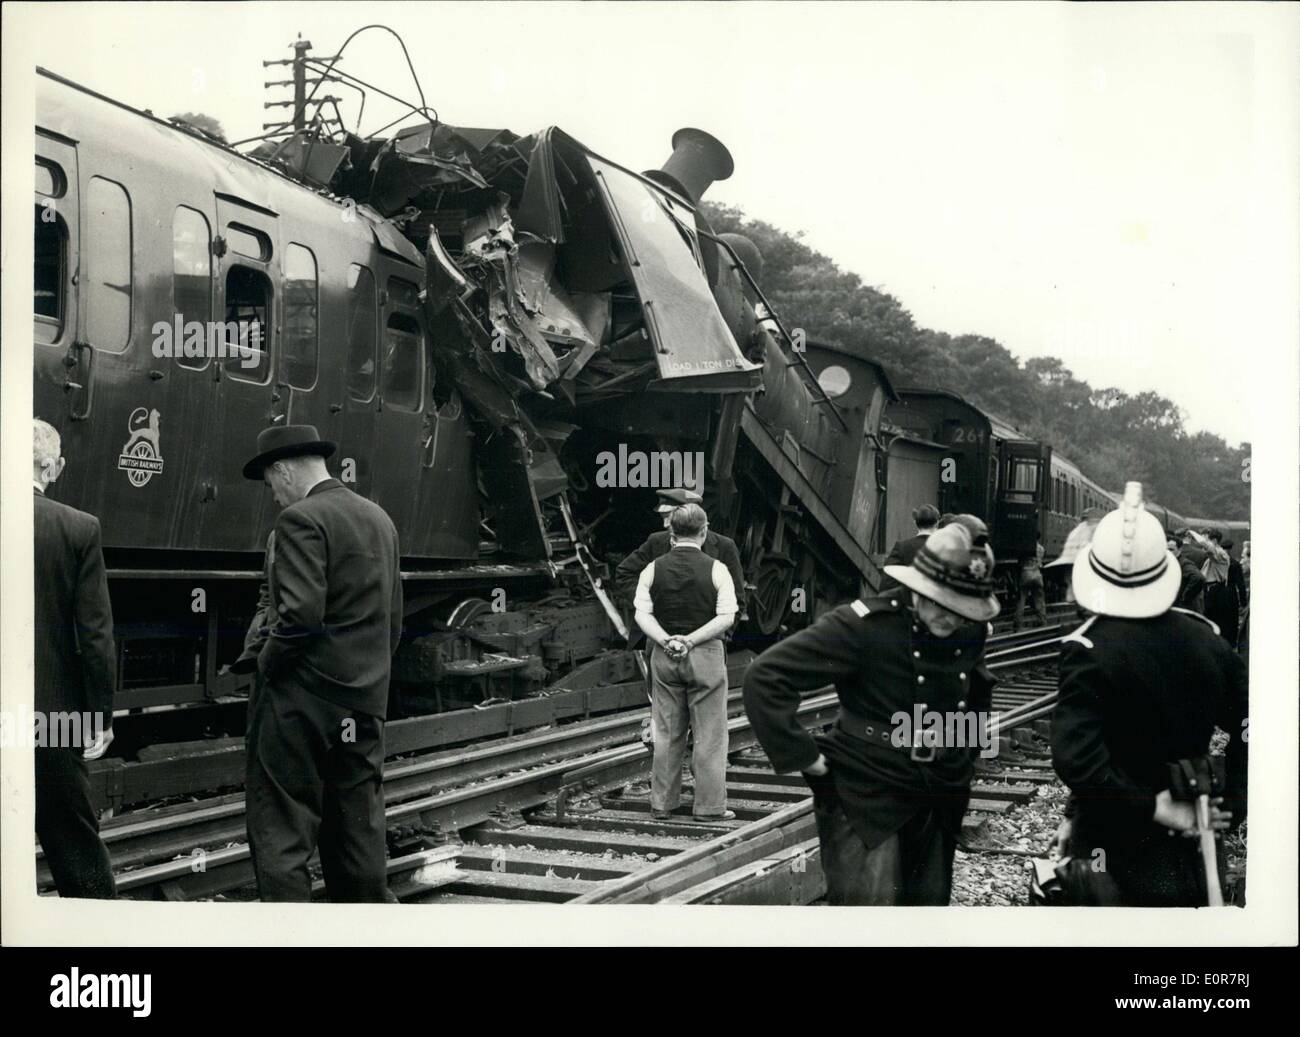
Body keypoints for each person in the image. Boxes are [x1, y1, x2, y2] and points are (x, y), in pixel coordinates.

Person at [743, 523, 1000, 905]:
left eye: (962, 608)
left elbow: (977, 695)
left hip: (937, 795)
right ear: (919, 586)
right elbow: (765, 677)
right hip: (866, 793)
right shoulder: (863, 626)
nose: (951, 617)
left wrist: (964, 761)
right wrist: (808, 759)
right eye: (942, 603)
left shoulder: (969, 630)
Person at [1051, 484, 1247, 906]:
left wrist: (1151, 806)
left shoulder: (1088, 650)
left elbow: (1078, 758)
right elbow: (1256, 727)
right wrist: (1231, 804)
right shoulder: (1208, 641)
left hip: (1108, 843)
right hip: (1190, 842)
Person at [241, 425, 403, 901]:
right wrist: (368, 678)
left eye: (270, 484)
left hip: (302, 702)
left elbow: (300, 618)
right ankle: (363, 925)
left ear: (283, 470)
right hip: (364, 701)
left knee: (282, 827)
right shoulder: (380, 519)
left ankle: (290, 930)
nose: (274, 496)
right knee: (357, 827)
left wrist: (266, 666)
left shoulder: (299, 520)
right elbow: (392, 619)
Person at [32, 419, 118, 898]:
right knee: (75, 846)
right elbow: (96, 636)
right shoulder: (79, 528)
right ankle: (95, 928)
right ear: (54, 467)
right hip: (52, 718)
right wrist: (99, 717)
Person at [633, 503, 739, 822]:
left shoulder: (652, 569)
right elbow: (727, 616)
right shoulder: (717, 569)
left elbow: (641, 614)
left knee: (666, 732)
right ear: (704, 532)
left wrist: (667, 640)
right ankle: (709, 807)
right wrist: (691, 640)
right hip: (705, 655)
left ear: (671, 533)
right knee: (710, 734)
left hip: (664, 656)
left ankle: (662, 804)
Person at [616, 487, 744, 621]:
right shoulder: (656, 541)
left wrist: (718, 630)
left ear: (691, 515)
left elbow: (737, 601)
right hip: (657, 626)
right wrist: (650, 604)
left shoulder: (725, 547)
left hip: (708, 627)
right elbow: (625, 573)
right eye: (663, 517)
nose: (665, 524)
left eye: (669, 517)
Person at [878, 504, 940, 591]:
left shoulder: (902, 547)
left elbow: (887, 583)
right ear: (937, 523)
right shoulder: (947, 548)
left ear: (915, 522)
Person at [1014, 536, 1048, 631]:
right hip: (1037, 575)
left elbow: (1019, 563)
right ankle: (1042, 622)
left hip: (1026, 574)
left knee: (1021, 600)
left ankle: (1017, 624)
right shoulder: (1041, 549)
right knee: (1039, 600)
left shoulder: (1025, 548)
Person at [1172, 533, 1206, 614]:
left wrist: (1184, 598)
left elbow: (1198, 577)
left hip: (1181, 605)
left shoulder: (1182, 562)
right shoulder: (1201, 553)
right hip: (1194, 600)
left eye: (1171, 549)